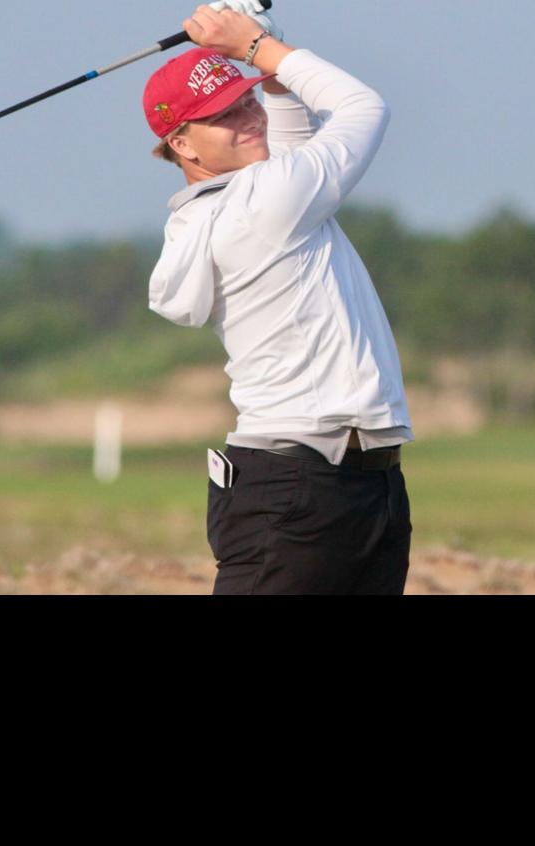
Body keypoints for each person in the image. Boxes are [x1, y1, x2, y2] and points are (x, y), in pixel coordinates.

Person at [145, 2, 413, 595]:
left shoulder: (244, 201)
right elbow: (364, 108)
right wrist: (255, 47)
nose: (249, 116)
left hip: (355, 486)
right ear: (184, 145)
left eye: (246, 100)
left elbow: (289, 137)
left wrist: (263, 49)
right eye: (224, 115)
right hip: (299, 486)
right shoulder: (261, 203)